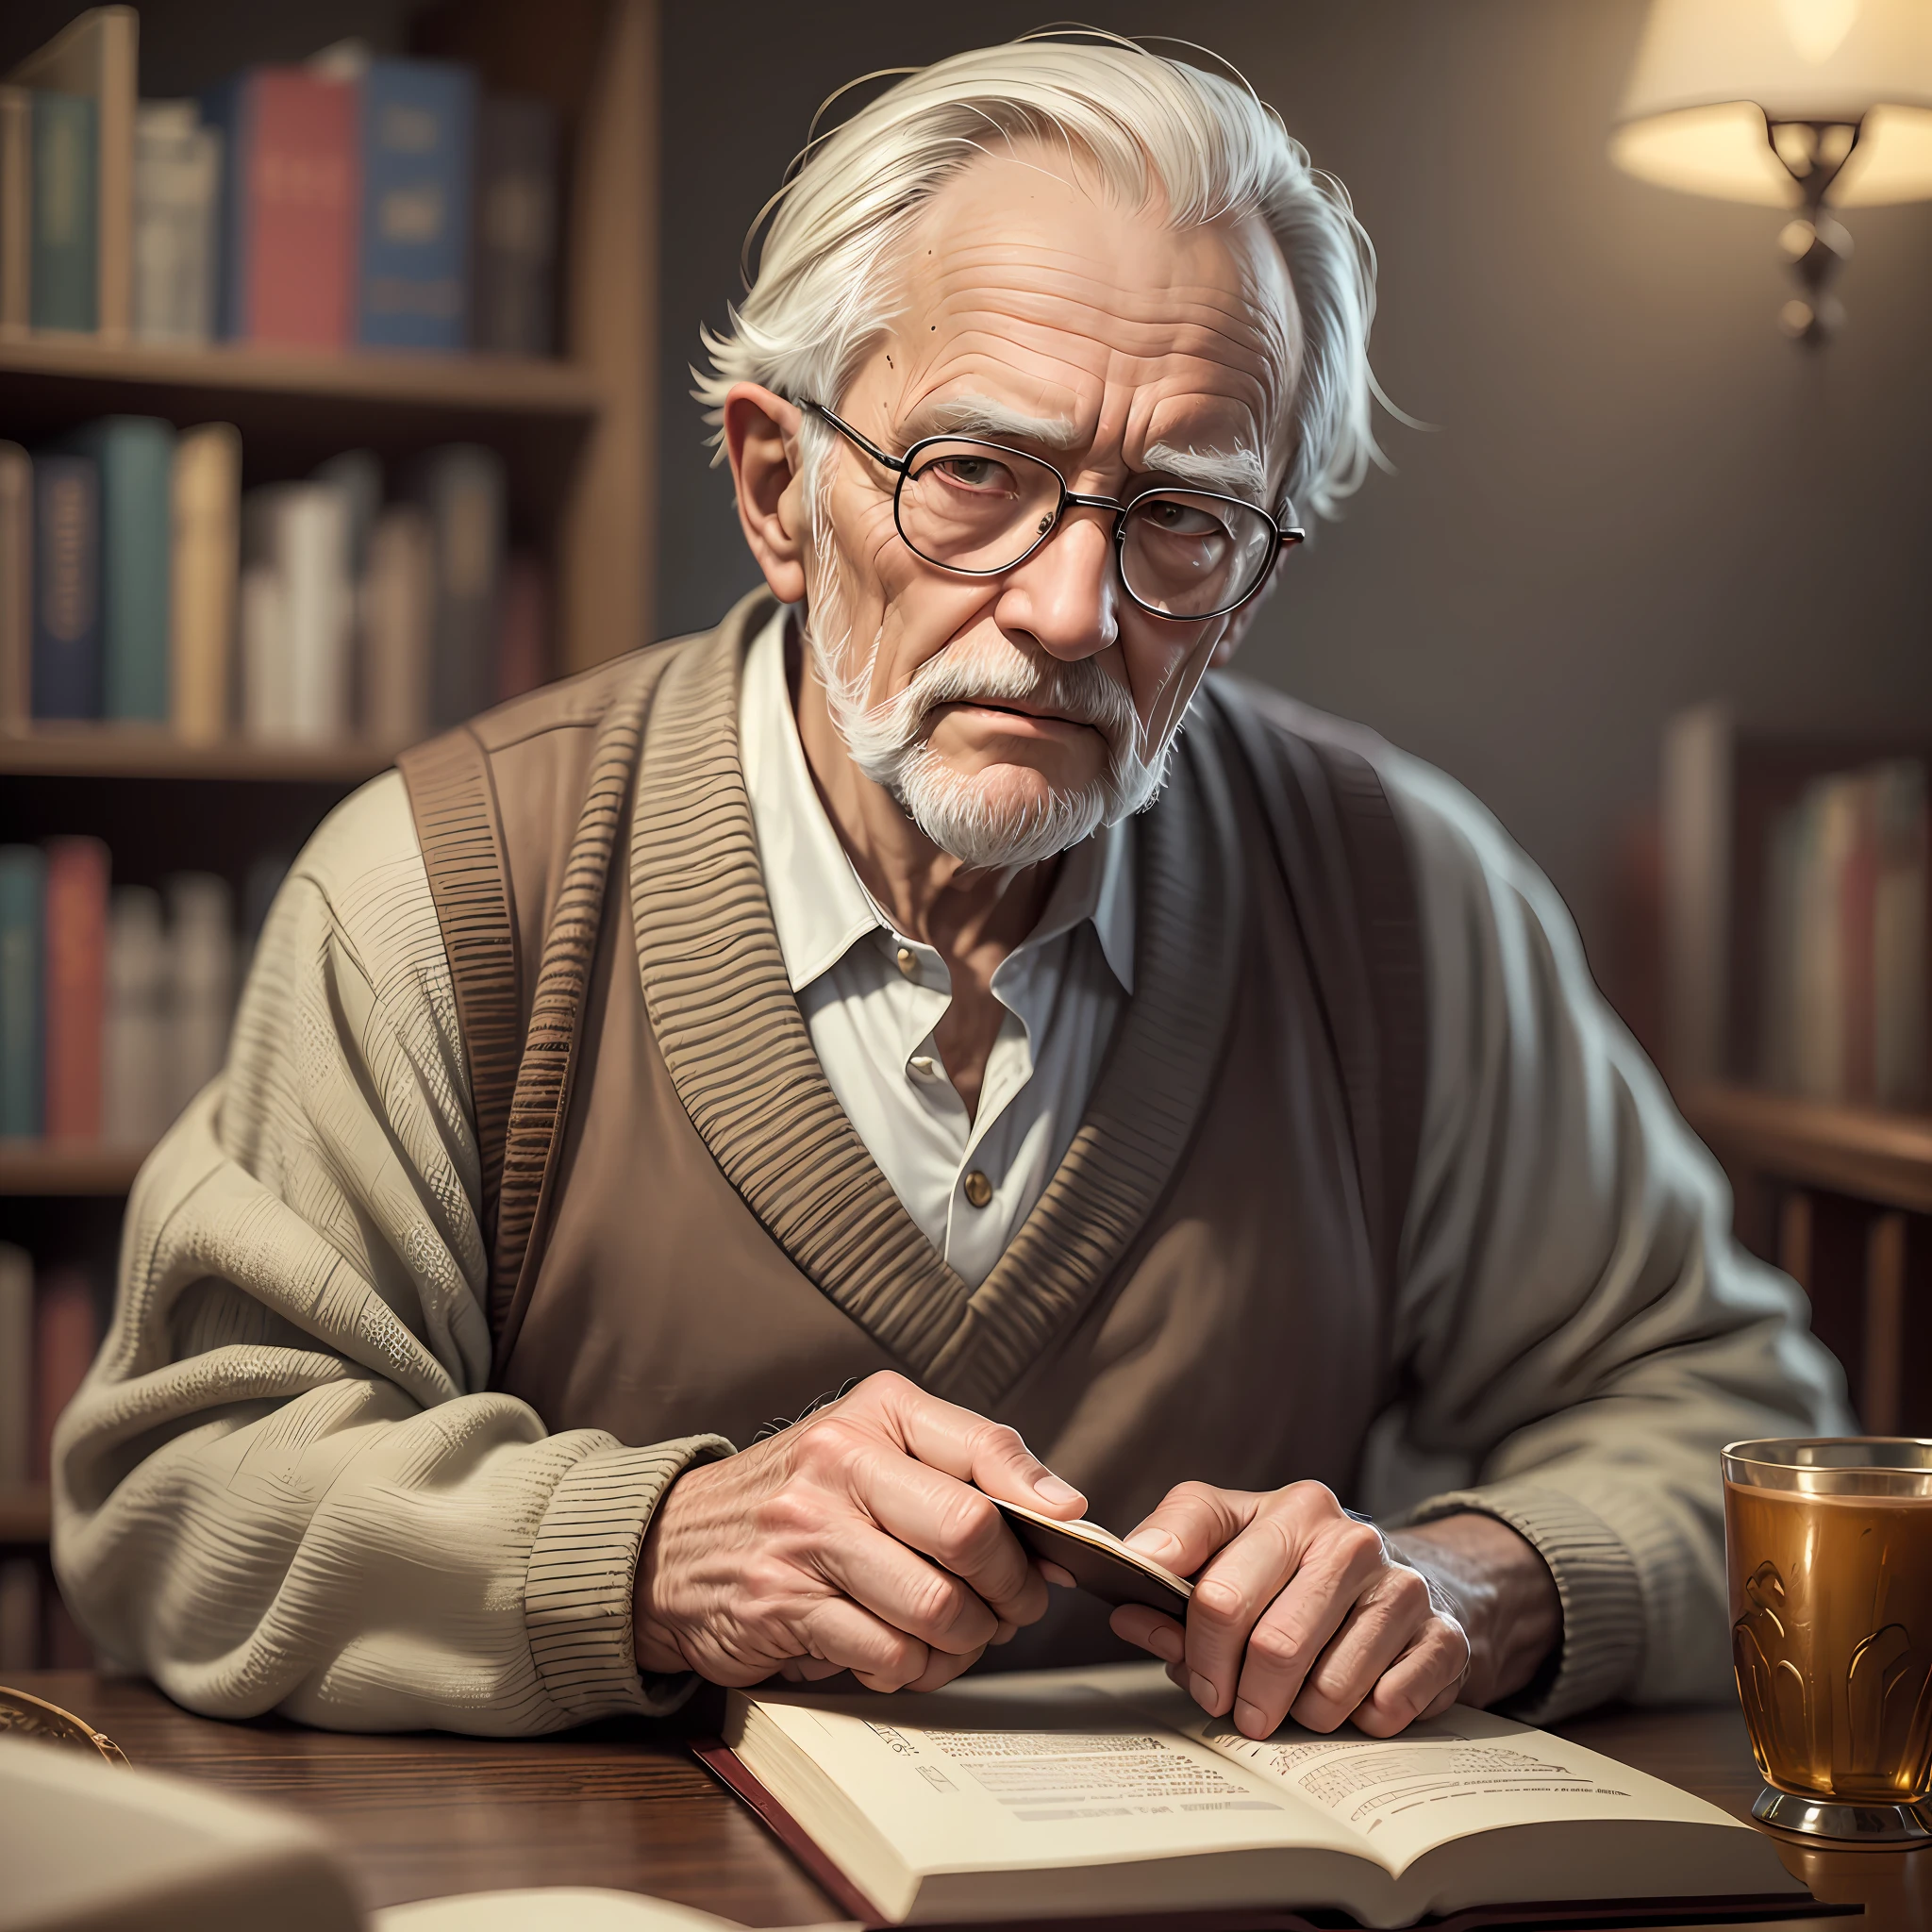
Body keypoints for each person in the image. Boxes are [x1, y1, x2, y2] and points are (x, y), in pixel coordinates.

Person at [54, 35, 1846, 1741]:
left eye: (1176, 519)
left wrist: (1482, 1582)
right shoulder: (448, 894)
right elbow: (176, 1501)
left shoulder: (1406, 901)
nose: (1072, 614)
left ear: (1249, 586)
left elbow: (1748, 1435)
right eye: (973, 475)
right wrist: (657, 1560)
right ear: (777, 485)